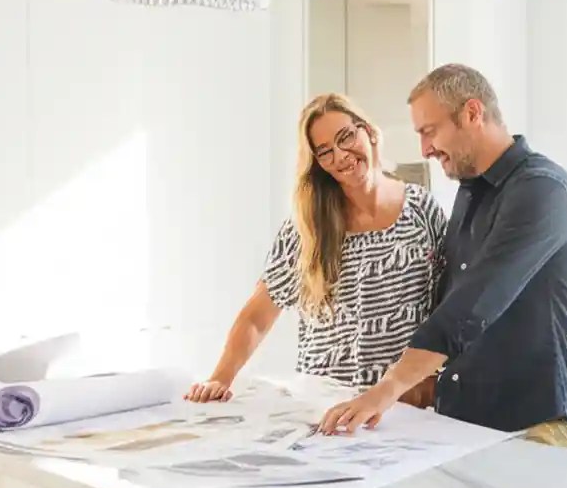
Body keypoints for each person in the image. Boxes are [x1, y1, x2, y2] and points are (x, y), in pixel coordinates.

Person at [319, 63, 567, 448]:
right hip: (466, 423)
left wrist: (389, 387)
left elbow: (472, 305)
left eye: (429, 131)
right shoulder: (470, 192)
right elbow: (449, 297)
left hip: (533, 426)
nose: (425, 149)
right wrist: (423, 386)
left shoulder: (543, 192)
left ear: (473, 113)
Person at [185, 92, 447, 406]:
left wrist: (433, 382)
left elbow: (448, 307)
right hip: (323, 404)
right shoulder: (306, 227)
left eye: (345, 137)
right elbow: (257, 316)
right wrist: (220, 377)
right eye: (325, 152)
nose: (340, 156)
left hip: (400, 404)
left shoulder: (421, 208)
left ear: (368, 131)